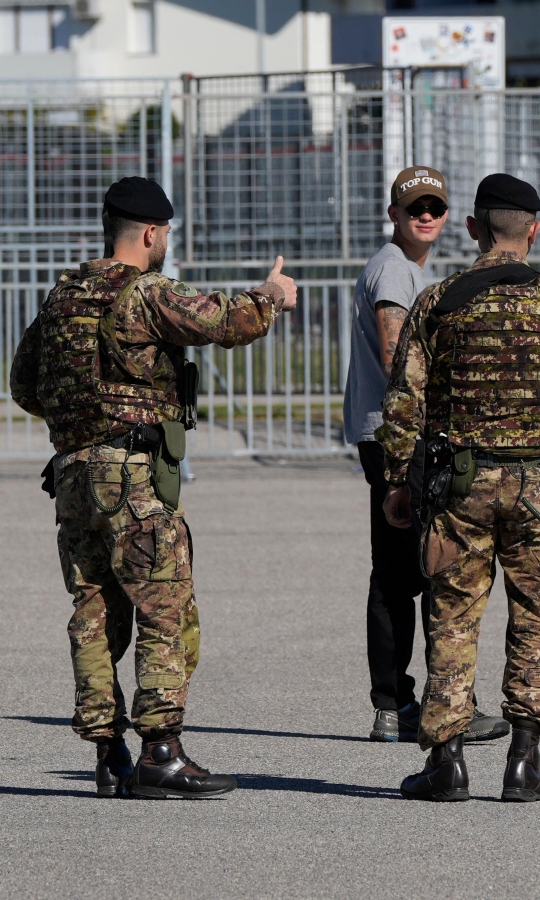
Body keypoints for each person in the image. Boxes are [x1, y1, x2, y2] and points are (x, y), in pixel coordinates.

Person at [8, 176, 298, 798]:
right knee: (164, 606)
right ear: (150, 232)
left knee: (93, 611)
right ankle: (162, 752)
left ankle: (108, 754)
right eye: (164, 233)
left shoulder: (61, 299)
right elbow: (229, 321)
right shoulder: (144, 293)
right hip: (134, 477)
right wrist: (273, 295)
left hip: (73, 477)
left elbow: (25, 388)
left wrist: (83, 416)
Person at [376, 173, 540, 801]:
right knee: (534, 621)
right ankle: (523, 761)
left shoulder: (438, 301)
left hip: (462, 486)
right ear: (533, 229)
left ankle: (447, 763)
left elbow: (404, 404)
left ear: (473, 228)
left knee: (453, 619)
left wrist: (398, 484)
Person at [344, 166, 508, 745]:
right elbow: (397, 357)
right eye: (415, 207)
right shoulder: (394, 270)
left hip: (395, 433)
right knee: (426, 570)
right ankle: (422, 706)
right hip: (400, 437)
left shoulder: (410, 270)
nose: (426, 215)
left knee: (401, 572)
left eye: (435, 207)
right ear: (394, 213)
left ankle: (400, 705)